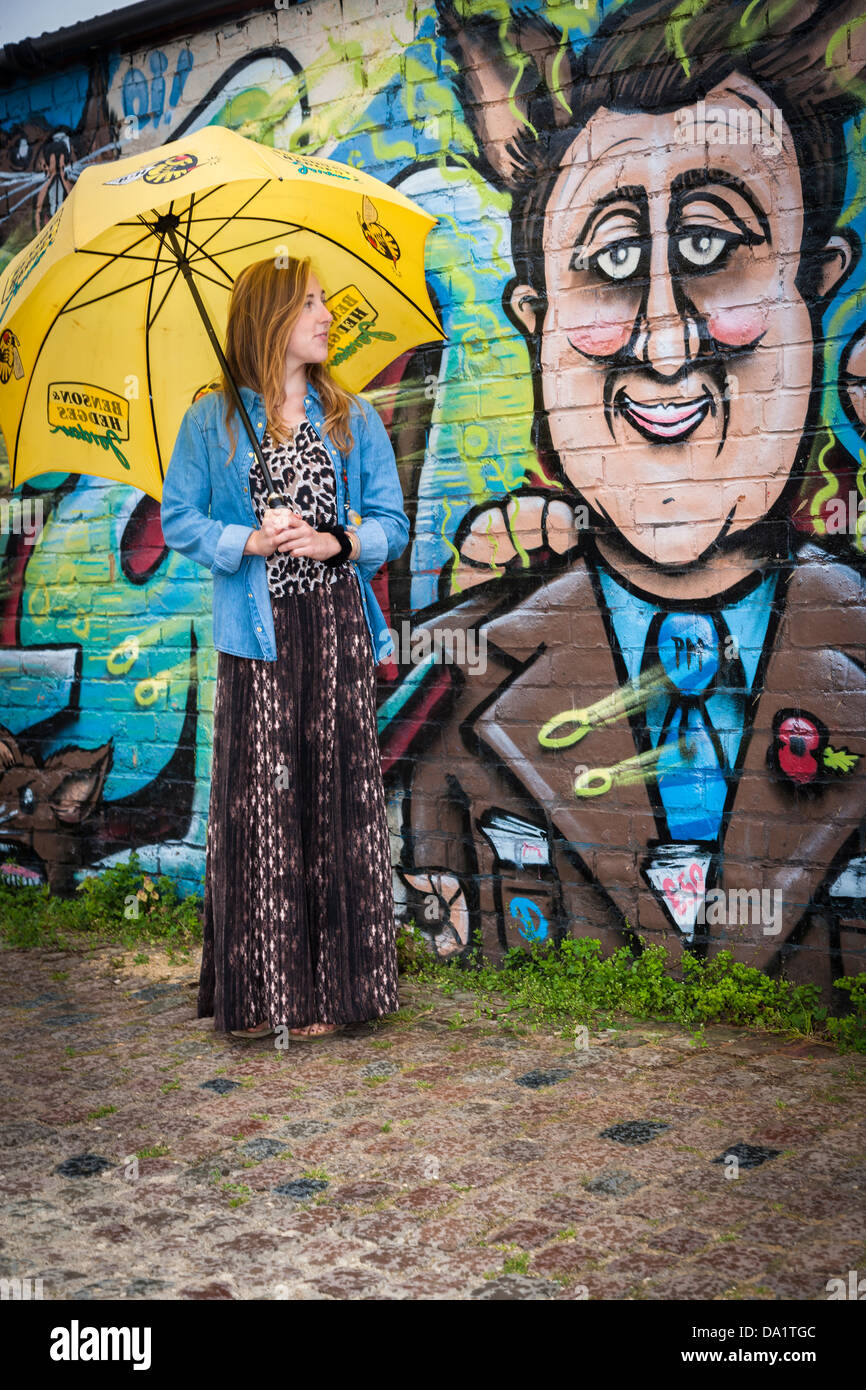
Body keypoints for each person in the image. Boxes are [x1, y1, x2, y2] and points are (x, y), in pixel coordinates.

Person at [397, 0, 866, 1000]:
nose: (663, 344)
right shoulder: (453, 685)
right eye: (608, 264)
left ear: (815, 291)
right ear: (535, 322)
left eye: (710, 249)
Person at [160, 254, 410, 1038]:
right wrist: (250, 541)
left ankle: (340, 996)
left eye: (326, 303)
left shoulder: (352, 419)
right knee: (265, 810)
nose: (327, 316)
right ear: (271, 319)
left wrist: (333, 539)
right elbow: (179, 521)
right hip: (258, 641)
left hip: (334, 633)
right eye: (310, 304)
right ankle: (273, 997)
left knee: (334, 805)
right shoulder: (214, 423)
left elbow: (392, 527)